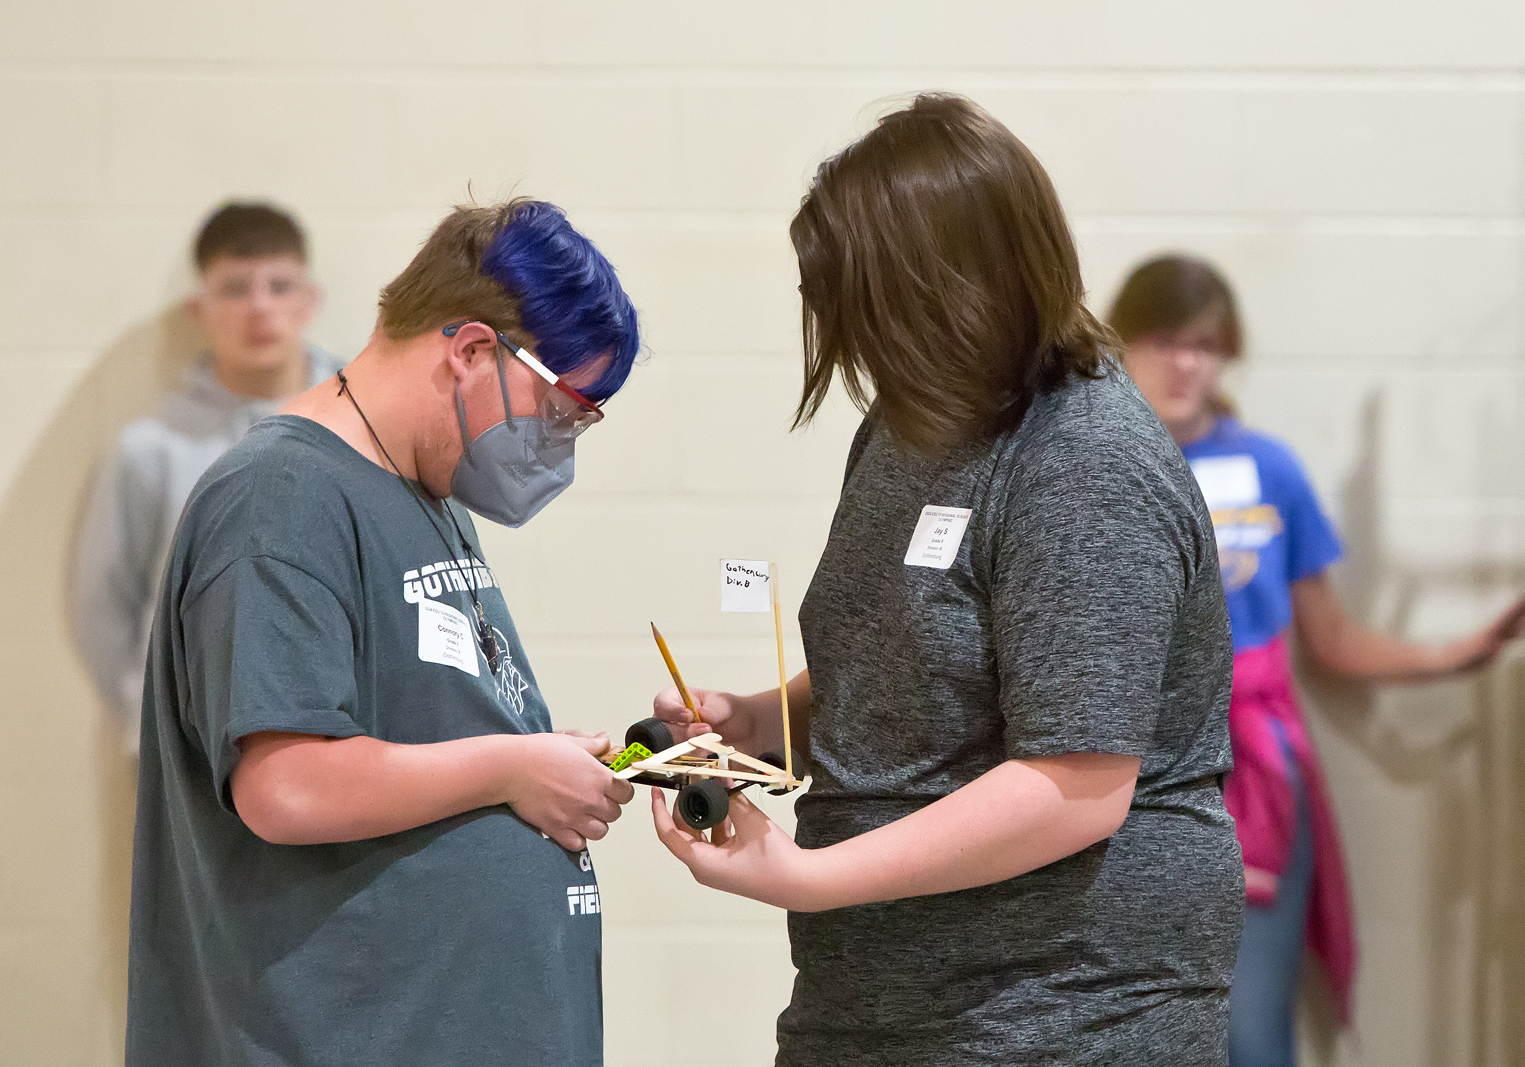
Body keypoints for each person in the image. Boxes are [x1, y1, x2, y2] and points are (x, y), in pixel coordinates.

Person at [646, 94, 1244, 1065]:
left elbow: (1075, 781)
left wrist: (805, 875)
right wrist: (758, 722)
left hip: (1061, 1016)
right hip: (878, 1006)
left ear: (946, 293)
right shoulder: (910, 425)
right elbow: (920, 662)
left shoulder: (1083, 459)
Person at [126, 199, 641, 1066]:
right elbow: (286, 784)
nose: (555, 443)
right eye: (558, 411)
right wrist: (511, 767)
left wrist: (543, 758)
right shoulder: (279, 498)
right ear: (471, 351)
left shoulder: (421, 488)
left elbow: (428, 734)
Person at [1107, 253, 1525, 1067]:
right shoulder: (1093, 466)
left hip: (1253, 777)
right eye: (1165, 340)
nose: (1187, 363)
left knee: (1251, 1026)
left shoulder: (1271, 469)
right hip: (1127, 777)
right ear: (1123, 342)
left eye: (1206, 344)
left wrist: (1458, 653)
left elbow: (1330, 638)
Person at [72, 201, 339, 754]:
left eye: (280, 286)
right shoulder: (148, 450)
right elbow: (100, 604)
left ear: (310, 301)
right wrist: (158, 726)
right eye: (236, 289)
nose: (260, 308)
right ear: (200, 309)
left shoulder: (366, 427)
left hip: (345, 741)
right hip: (193, 752)